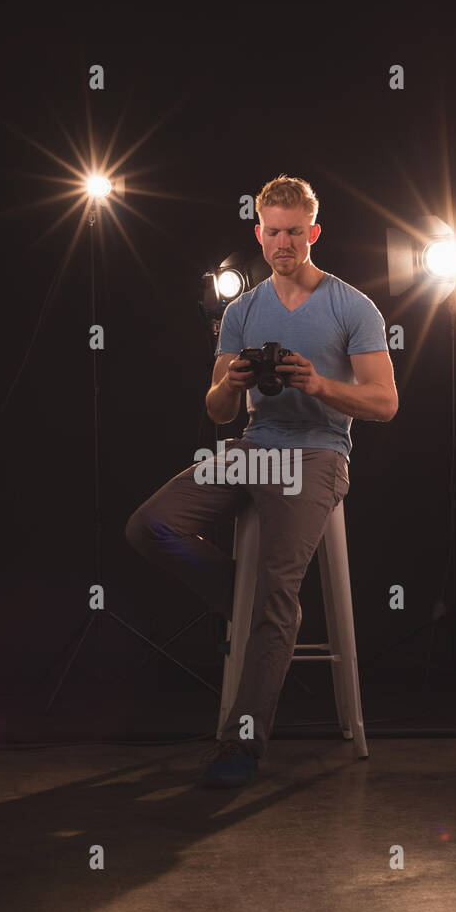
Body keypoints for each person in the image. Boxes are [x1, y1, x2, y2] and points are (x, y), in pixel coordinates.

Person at [125, 175, 398, 787]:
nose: (283, 242)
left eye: (294, 232)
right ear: (259, 232)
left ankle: (240, 746)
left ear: (313, 232)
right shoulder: (242, 311)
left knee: (277, 588)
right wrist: (233, 383)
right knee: (150, 526)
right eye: (272, 232)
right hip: (253, 449)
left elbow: (384, 403)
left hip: (318, 456)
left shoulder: (351, 306)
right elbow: (219, 411)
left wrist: (319, 384)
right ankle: (252, 608)